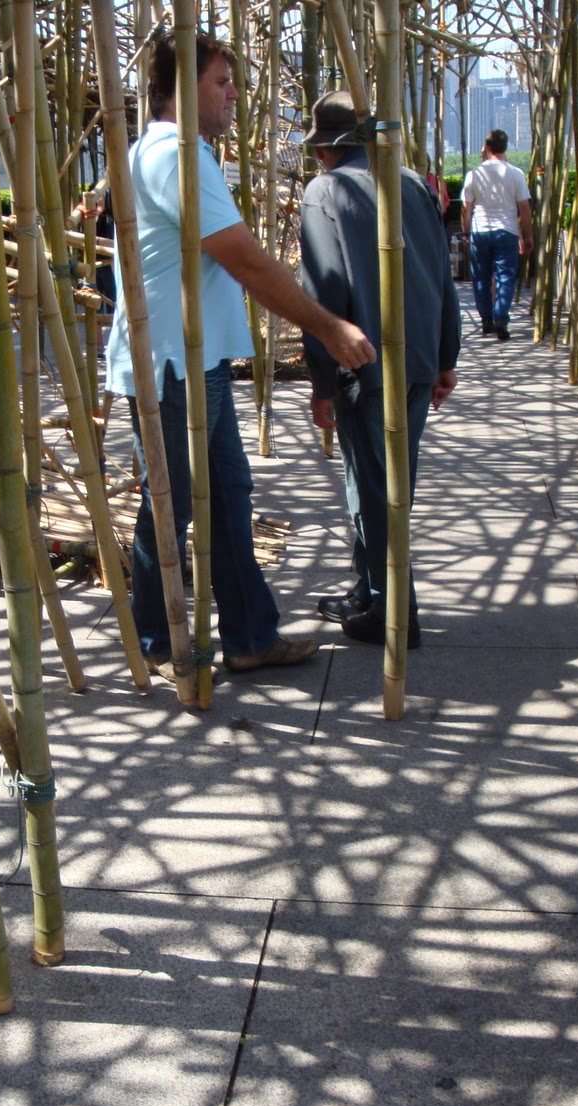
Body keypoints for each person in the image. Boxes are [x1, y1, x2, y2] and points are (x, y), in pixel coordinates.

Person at [104, 33, 376, 676]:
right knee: (168, 506)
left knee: (226, 493)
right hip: (170, 365)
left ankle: (250, 635)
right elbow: (248, 260)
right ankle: (160, 639)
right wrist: (330, 327)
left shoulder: (175, 152)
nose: (233, 94)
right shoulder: (174, 155)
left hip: (194, 361)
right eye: (221, 82)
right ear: (181, 88)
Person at [298, 91, 460, 647]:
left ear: (325, 151)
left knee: (374, 488)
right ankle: (370, 591)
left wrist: (322, 379)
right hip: (415, 361)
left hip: (362, 366)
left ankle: (395, 611)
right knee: (383, 481)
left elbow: (325, 289)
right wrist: (445, 358)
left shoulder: (326, 191)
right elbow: (442, 275)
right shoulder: (413, 183)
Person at [458, 130, 532, 340]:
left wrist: (466, 232)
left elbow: (466, 208)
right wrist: (528, 234)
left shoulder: (474, 174)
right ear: (505, 147)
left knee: (480, 277)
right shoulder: (515, 173)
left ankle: (486, 320)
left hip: (480, 230)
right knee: (505, 277)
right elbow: (524, 207)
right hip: (507, 230)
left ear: (487, 147)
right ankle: (500, 317)